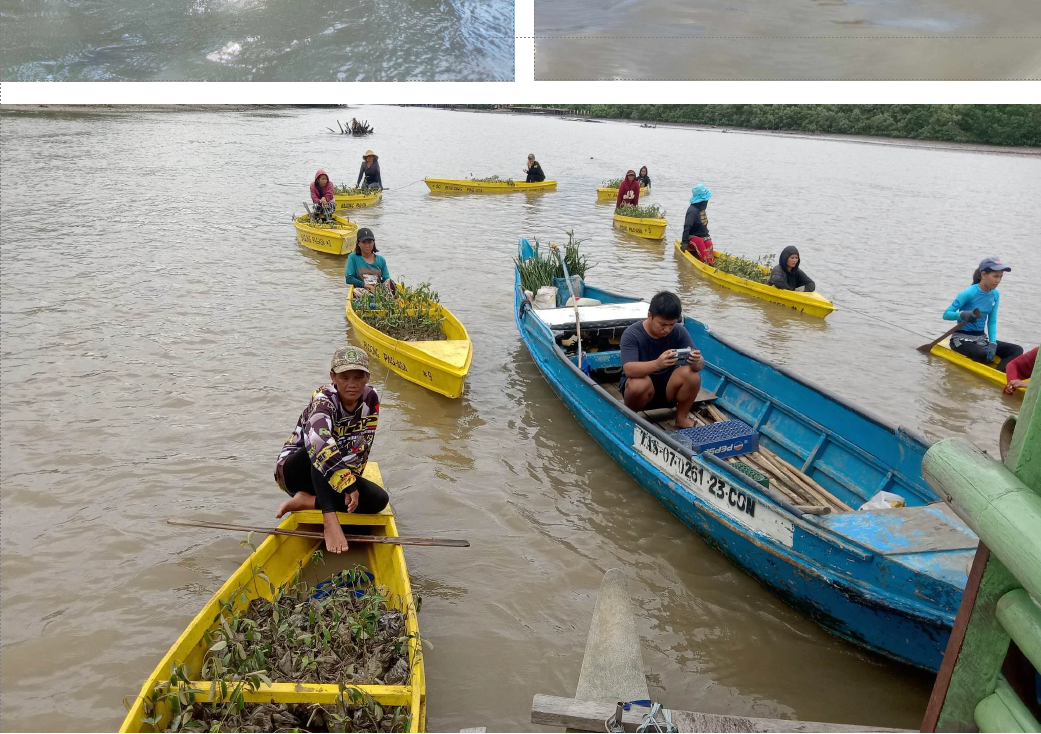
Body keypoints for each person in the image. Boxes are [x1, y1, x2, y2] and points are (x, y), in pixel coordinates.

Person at [274, 346, 388, 553]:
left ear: (367, 378)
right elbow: (318, 442)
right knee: (322, 445)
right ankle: (329, 517)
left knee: (379, 500)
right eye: (344, 377)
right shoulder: (323, 400)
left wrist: (351, 480)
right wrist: (346, 483)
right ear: (333, 377)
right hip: (296, 470)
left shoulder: (371, 399)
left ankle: (307, 501)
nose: (352, 384)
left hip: (332, 469)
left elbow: (363, 442)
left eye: (358, 377)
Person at [619, 291, 705, 429]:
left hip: (667, 388)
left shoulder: (678, 331)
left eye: (671, 325)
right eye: (662, 324)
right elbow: (629, 370)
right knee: (638, 384)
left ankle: (681, 418)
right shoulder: (632, 334)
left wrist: (697, 360)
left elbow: (700, 365)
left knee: (692, 375)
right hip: (640, 392)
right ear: (649, 316)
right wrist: (657, 364)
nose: (667, 330)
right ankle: (631, 417)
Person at [943, 257, 1024, 371]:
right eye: (995, 276)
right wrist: (961, 315)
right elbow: (946, 314)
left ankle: (999, 375)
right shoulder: (969, 292)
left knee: (1017, 350)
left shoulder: (995, 294)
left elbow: (992, 321)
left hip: (981, 338)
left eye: (1001, 276)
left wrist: (993, 343)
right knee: (981, 354)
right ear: (984, 275)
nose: (998, 280)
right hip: (960, 339)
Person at [344, 227, 393, 294]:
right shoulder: (353, 257)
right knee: (356, 291)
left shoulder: (381, 260)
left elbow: (386, 279)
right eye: (364, 242)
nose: (367, 245)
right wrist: (368, 286)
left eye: (370, 242)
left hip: (378, 291)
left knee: (390, 282)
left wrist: (379, 289)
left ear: (373, 243)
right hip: (362, 290)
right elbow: (349, 278)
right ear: (358, 243)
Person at [681, 184, 714, 264]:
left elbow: (704, 227)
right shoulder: (692, 210)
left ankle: (711, 262)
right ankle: (707, 263)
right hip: (693, 237)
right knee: (699, 242)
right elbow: (687, 227)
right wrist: (684, 242)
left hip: (704, 236)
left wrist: (707, 237)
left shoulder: (701, 209)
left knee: (709, 242)